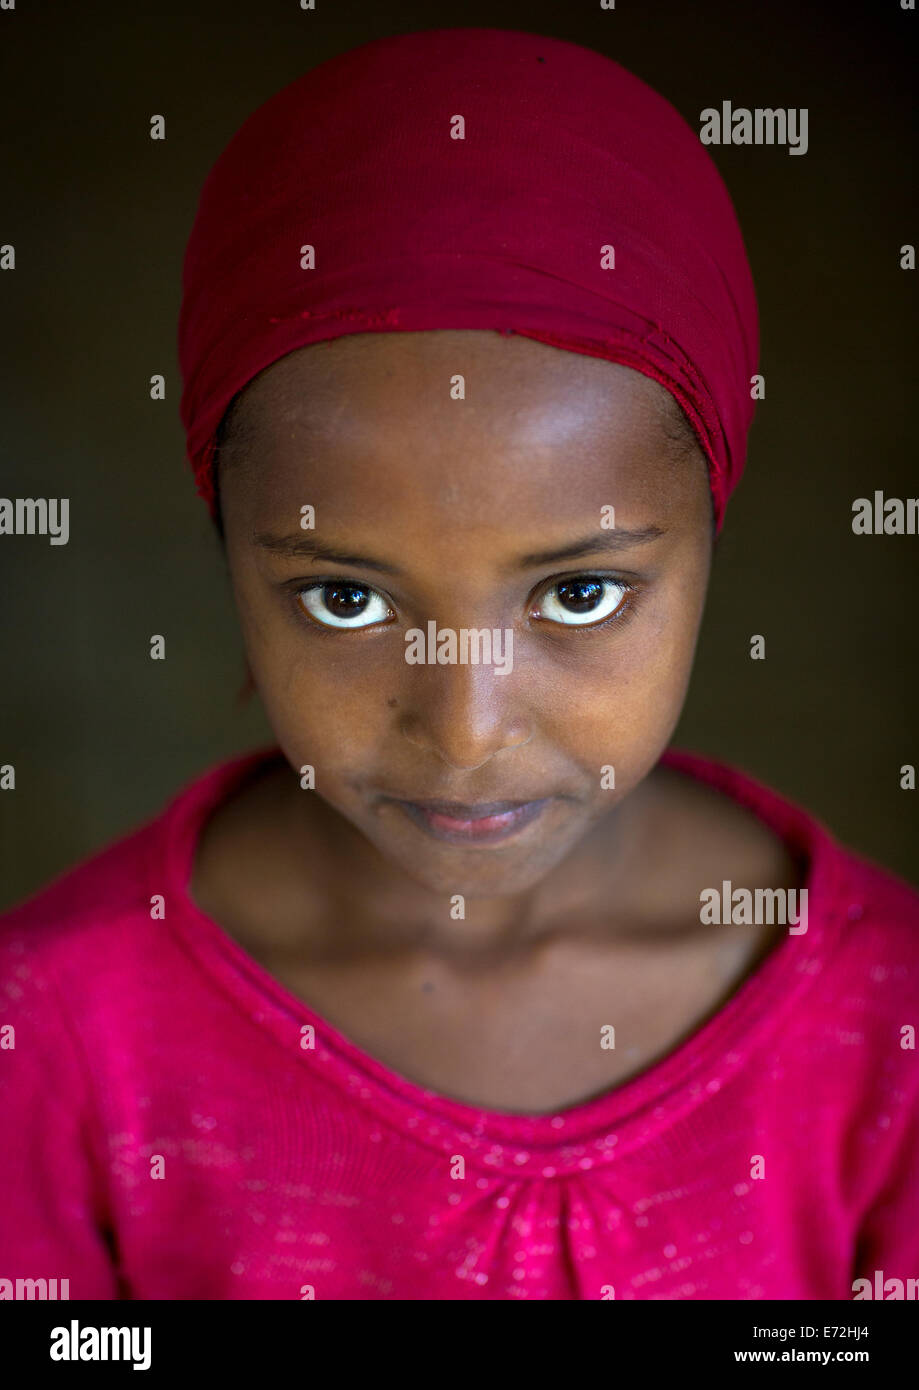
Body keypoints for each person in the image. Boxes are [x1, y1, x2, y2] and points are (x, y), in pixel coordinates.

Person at [1, 26, 916, 1302]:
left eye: (580, 591)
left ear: (713, 535)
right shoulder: (54, 1035)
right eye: (341, 595)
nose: (468, 726)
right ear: (223, 550)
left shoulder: (884, 1031)